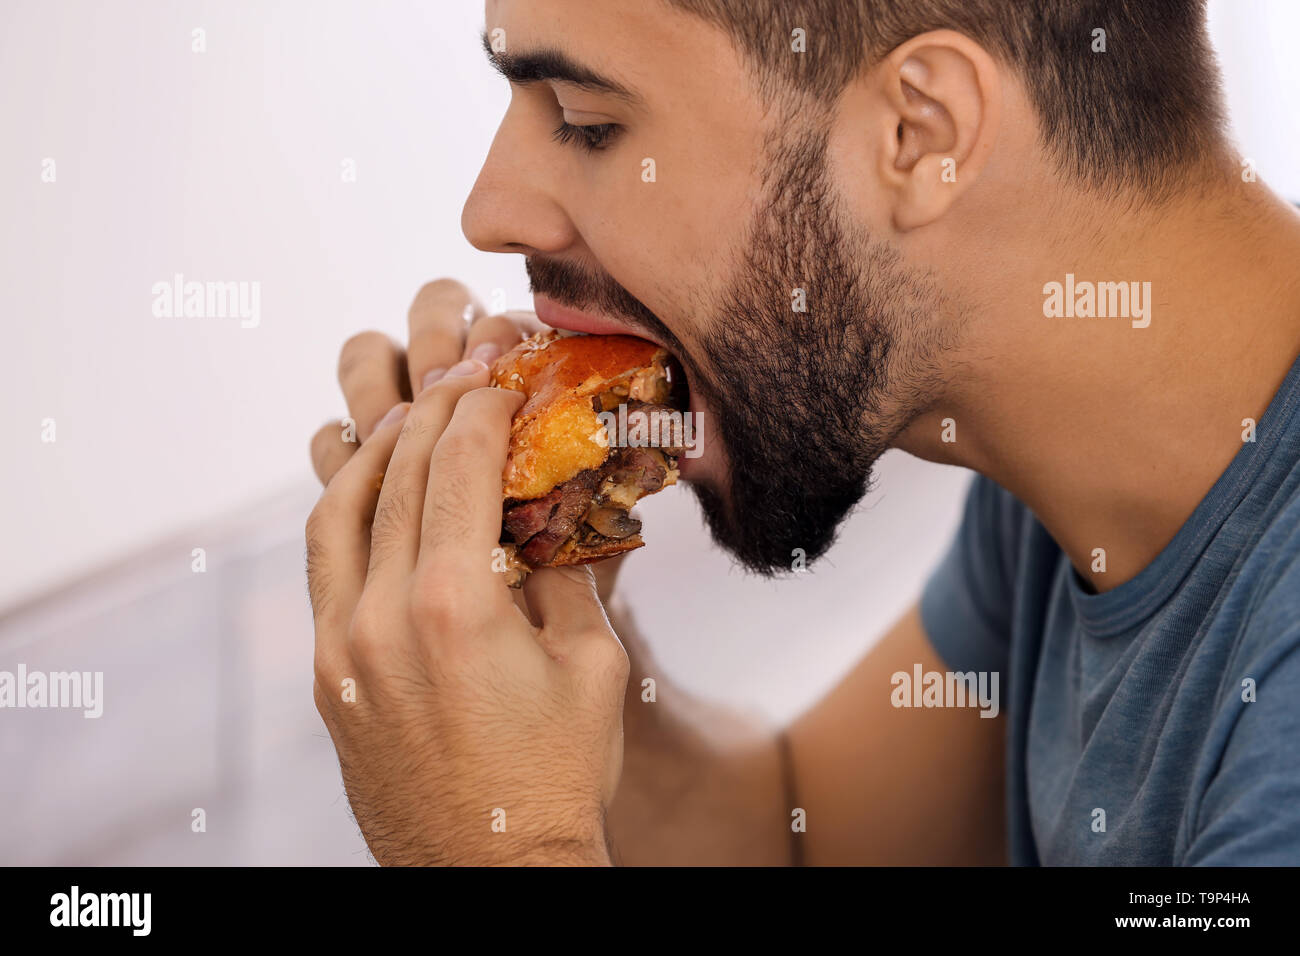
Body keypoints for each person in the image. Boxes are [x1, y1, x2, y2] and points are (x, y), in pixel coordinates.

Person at [304, 0, 1300, 865]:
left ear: (920, 133)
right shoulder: (1069, 466)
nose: (489, 212)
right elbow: (797, 841)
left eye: (586, 119)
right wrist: (546, 637)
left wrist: (493, 850)